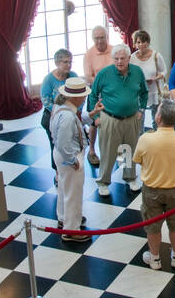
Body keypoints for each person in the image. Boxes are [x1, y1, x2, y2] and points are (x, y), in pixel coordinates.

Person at [133, 99, 175, 271]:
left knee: (153, 225)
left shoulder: (146, 139)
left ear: (158, 117)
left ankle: (155, 258)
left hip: (152, 189)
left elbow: (137, 160)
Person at [87, 43, 148, 197]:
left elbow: (144, 93)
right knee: (107, 152)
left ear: (129, 58)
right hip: (109, 118)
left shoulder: (137, 72)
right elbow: (93, 95)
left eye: (122, 58)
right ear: (112, 59)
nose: (119, 62)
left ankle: (130, 177)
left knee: (129, 149)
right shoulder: (104, 74)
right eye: (116, 59)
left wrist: (141, 110)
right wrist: (95, 117)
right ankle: (103, 181)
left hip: (131, 118)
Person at [50, 77, 89, 243]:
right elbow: (63, 143)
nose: (85, 98)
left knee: (64, 189)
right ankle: (71, 229)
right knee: (73, 193)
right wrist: (74, 161)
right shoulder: (67, 116)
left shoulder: (61, 107)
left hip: (61, 156)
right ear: (74, 97)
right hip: (69, 157)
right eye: (83, 95)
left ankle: (63, 218)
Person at [82, 26, 113, 165]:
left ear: (107, 37)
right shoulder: (89, 54)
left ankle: (115, 149)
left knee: (114, 120)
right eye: (96, 38)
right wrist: (103, 86)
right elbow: (88, 77)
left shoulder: (114, 51)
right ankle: (92, 150)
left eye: (102, 37)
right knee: (94, 122)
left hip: (113, 92)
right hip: (96, 92)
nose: (99, 41)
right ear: (93, 39)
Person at [40, 49, 74, 161]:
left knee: (71, 143)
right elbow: (46, 101)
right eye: (65, 62)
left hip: (71, 114)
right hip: (52, 115)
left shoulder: (73, 76)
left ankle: (71, 164)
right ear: (57, 63)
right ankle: (57, 171)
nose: (69, 65)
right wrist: (61, 111)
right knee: (55, 145)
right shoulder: (48, 79)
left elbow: (81, 97)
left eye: (70, 62)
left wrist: (75, 110)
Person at [131, 29, 168, 127]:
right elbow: (130, 75)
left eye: (144, 41)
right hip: (139, 92)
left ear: (148, 42)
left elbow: (164, 71)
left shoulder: (156, 55)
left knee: (157, 119)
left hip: (155, 91)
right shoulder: (132, 58)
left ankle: (156, 139)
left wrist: (156, 78)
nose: (141, 44)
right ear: (135, 43)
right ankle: (141, 140)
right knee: (139, 120)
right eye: (138, 42)